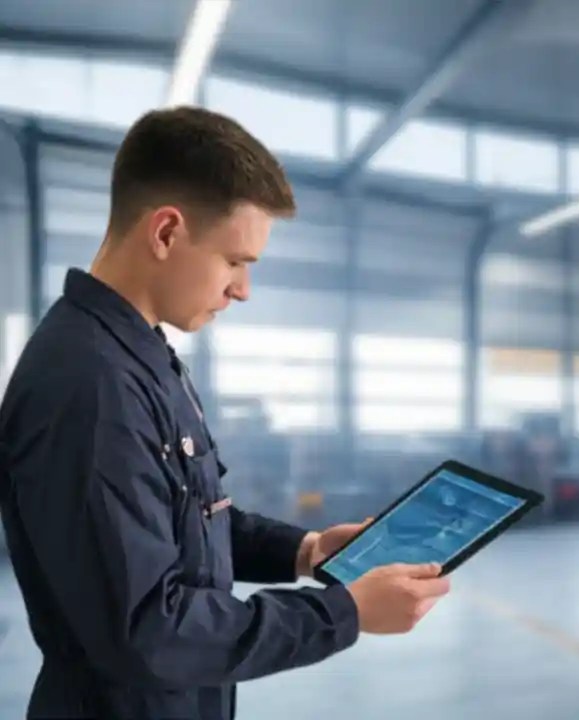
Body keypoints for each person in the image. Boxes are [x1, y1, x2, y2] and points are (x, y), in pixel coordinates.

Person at [0, 107, 451, 719]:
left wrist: (306, 550)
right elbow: (148, 630)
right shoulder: (92, 387)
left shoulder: (143, 357)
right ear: (165, 233)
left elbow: (181, 521)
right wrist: (344, 613)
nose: (243, 289)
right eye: (236, 261)